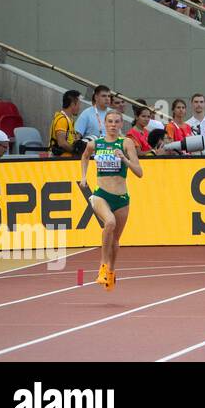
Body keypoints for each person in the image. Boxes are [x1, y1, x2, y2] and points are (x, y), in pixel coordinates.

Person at [78, 110, 143, 291]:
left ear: (122, 124)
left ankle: (112, 272)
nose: (113, 125)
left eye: (116, 122)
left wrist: (124, 159)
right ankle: (103, 266)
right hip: (101, 195)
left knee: (115, 240)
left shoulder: (126, 143)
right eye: (110, 122)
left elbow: (139, 172)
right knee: (110, 223)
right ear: (104, 124)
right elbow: (84, 156)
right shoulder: (95, 144)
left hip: (121, 198)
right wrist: (83, 177)